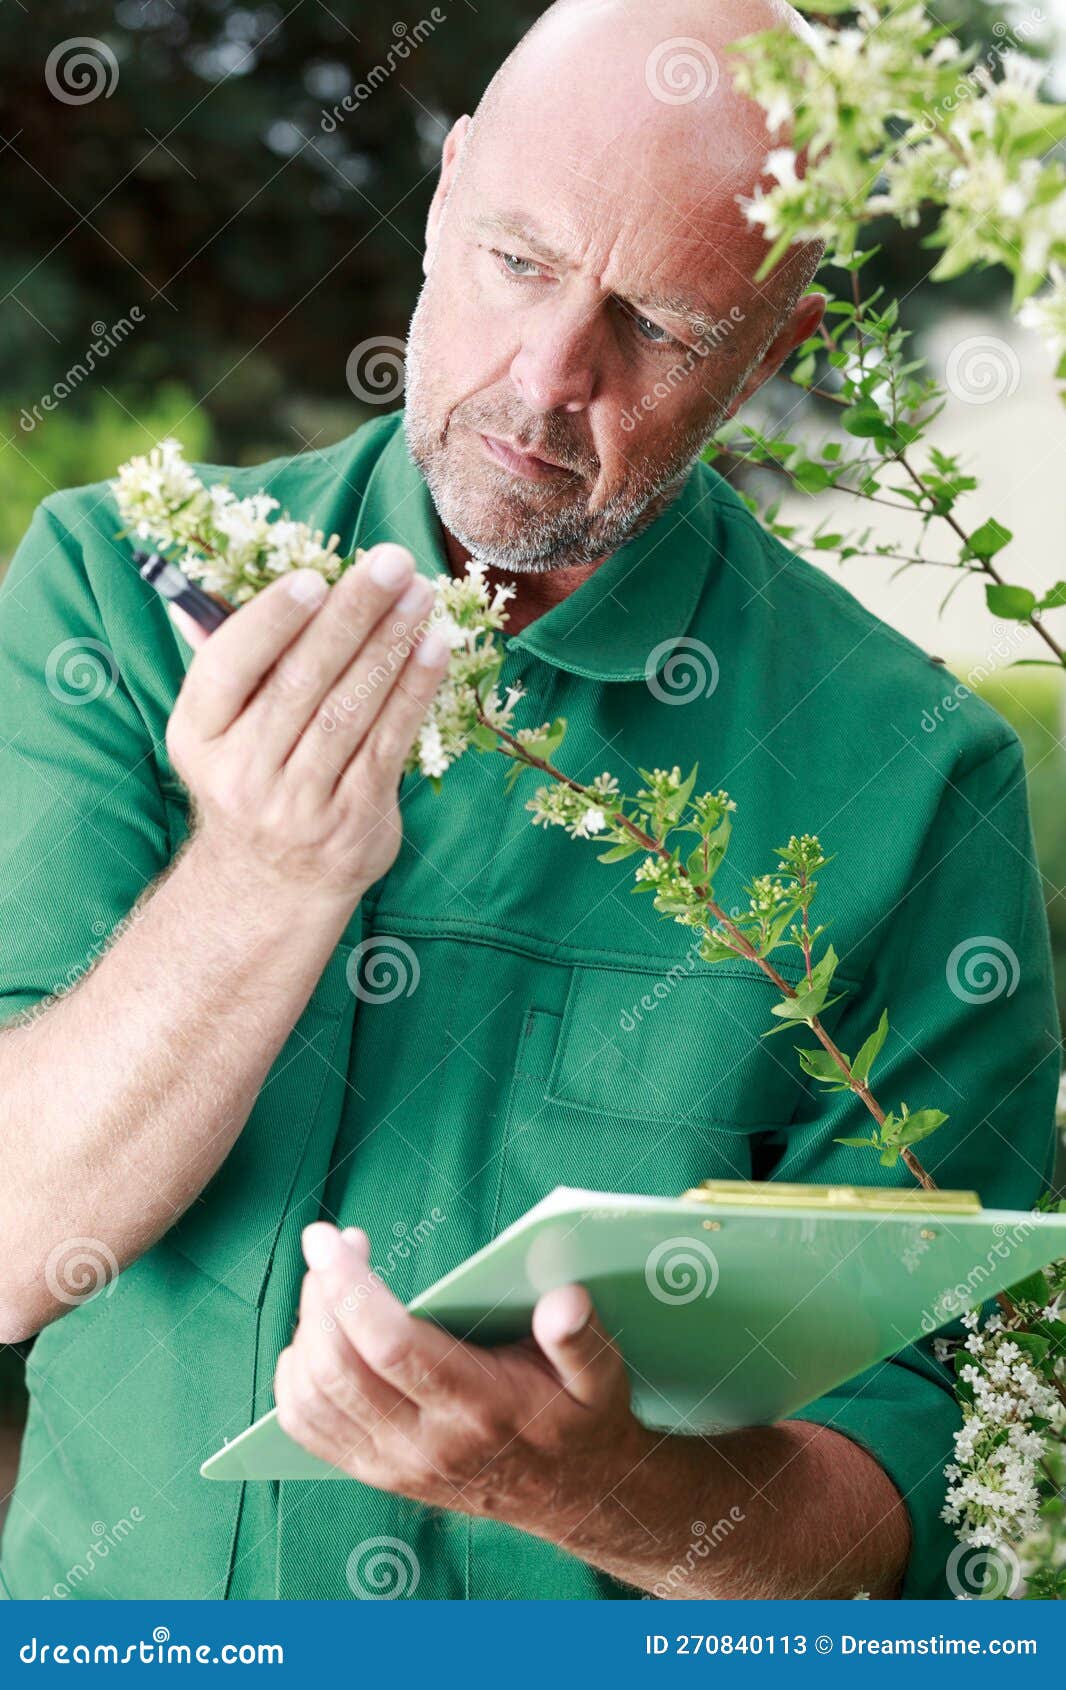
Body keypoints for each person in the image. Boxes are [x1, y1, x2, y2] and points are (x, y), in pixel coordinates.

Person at [0, 0, 1057, 1602]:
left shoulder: (915, 780)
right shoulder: (114, 591)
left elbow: (943, 1490)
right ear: (442, 201)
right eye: (515, 261)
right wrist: (264, 872)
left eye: (659, 323)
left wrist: (614, 1488)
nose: (549, 376)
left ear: (779, 343)